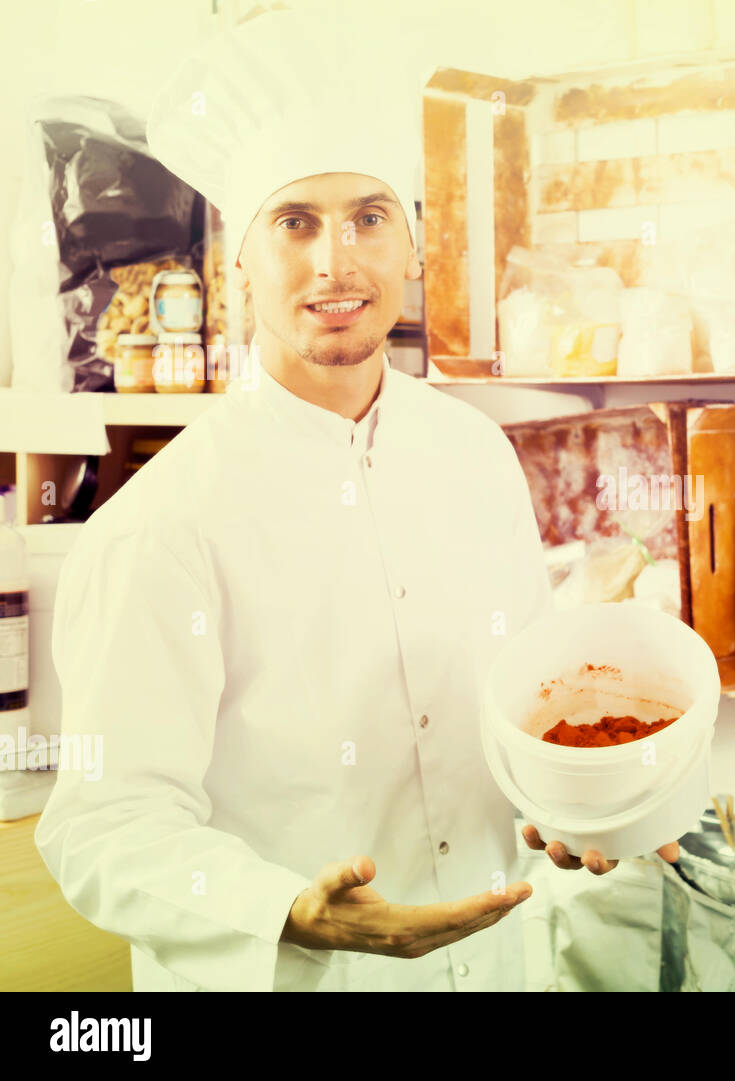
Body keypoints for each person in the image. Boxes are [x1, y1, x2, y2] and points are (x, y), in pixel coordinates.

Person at [35, 12, 676, 992]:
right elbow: (101, 829)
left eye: (371, 217)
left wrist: (576, 802)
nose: (337, 261)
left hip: (496, 964)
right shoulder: (160, 526)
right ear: (238, 265)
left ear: (412, 248)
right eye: (295, 223)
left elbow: (514, 707)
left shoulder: (475, 455)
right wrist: (281, 907)